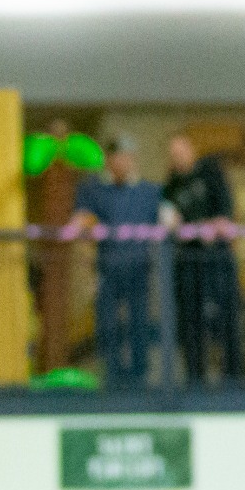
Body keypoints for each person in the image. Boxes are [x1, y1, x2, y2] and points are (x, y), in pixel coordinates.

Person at [70, 138, 164, 388]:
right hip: (107, 268)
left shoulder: (150, 192)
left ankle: (138, 377)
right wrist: (81, 226)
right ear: (109, 162)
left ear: (133, 159)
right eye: (115, 157)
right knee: (108, 323)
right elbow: (81, 218)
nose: (121, 162)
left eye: (125, 156)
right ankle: (111, 376)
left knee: (139, 322)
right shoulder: (94, 190)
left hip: (139, 267)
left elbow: (167, 219)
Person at [162, 134, 244, 384]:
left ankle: (235, 379)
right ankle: (195, 380)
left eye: (181, 152)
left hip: (218, 260)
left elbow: (225, 215)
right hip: (189, 263)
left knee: (227, 319)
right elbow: (170, 220)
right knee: (191, 322)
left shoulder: (211, 172)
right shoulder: (171, 185)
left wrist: (217, 224)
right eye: (173, 155)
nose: (178, 159)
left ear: (191, 150)